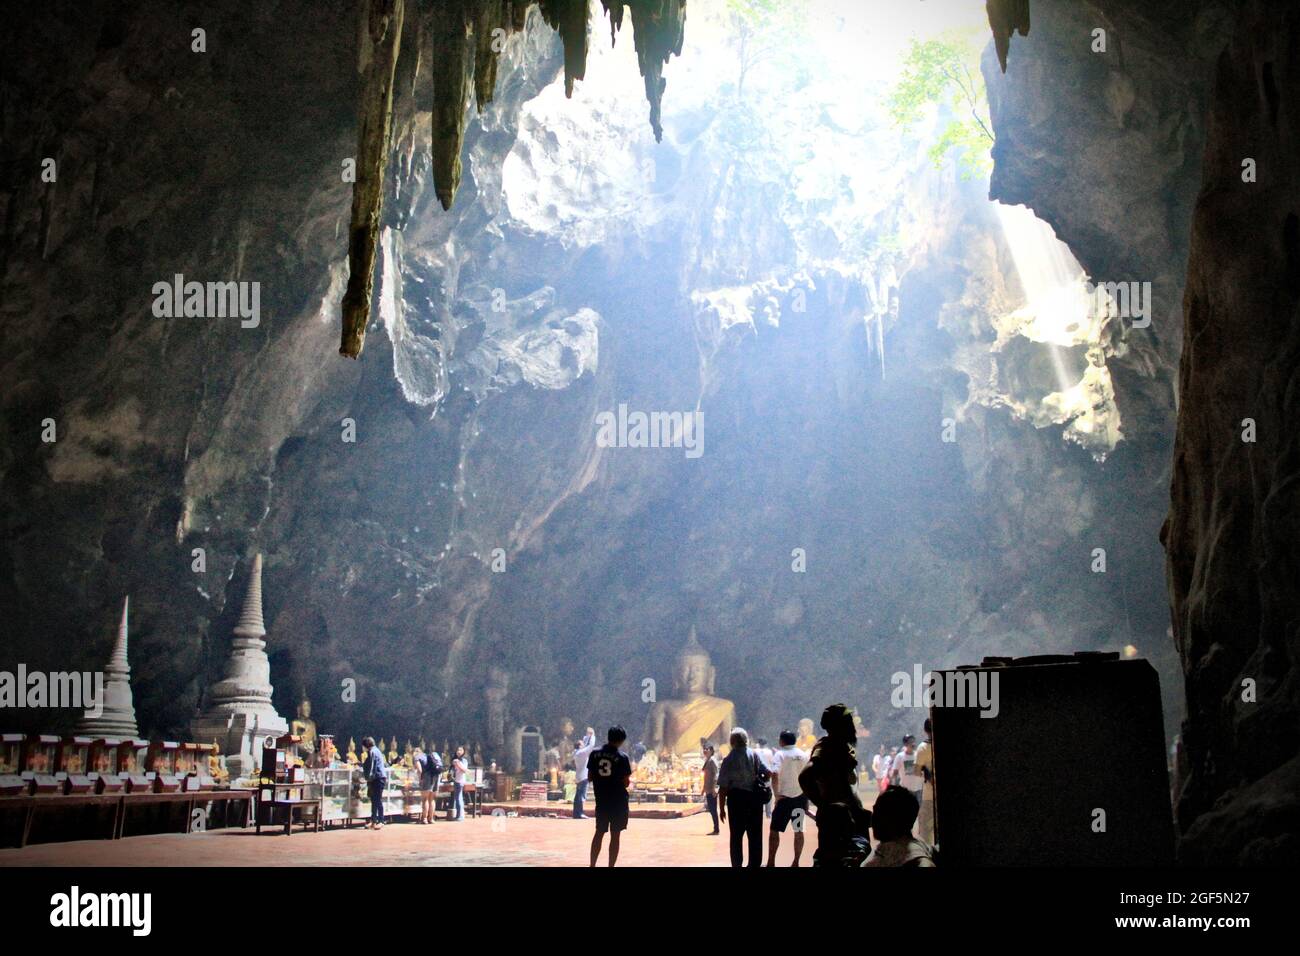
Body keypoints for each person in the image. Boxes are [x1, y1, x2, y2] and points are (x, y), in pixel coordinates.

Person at [718, 727, 767, 868]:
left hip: (736, 800)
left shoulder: (729, 759)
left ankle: (737, 864)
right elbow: (767, 772)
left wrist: (721, 808)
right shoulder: (755, 755)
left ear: (732, 741)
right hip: (754, 800)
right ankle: (754, 864)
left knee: (736, 837)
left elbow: (723, 786)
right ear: (746, 741)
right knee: (755, 836)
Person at [587, 726, 632, 867]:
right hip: (618, 802)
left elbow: (589, 777)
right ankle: (611, 866)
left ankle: (592, 865)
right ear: (621, 740)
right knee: (615, 835)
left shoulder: (594, 755)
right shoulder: (623, 757)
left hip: (602, 800)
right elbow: (626, 782)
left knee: (599, 832)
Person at [863, 786, 936, 867]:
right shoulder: (919, 845)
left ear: (898, 818)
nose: (873, 818)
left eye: (881, 813)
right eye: (875, 811)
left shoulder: (914, 856)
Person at [768, 730, 810, 866]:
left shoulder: (780, 755)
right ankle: (796, 861)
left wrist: (776, 795)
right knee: (798, 830)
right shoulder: (803, 755)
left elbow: (774, 775)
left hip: (784, 799)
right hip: (800, 798)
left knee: (774, 830)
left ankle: (771, 862)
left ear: (782, 741)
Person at [914, 718, 936, 843]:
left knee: (925, 831)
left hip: (929, 796)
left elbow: (916, 771)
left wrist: (925, 772)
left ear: (925, 730)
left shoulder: (923, 748)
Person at [361, 736, 388, 830]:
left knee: (378, 799)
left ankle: (381, 820)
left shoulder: (373, 751)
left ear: (366, 745)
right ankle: (373, 820)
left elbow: (372, 766)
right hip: (376, 778)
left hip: (378, 778)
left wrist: (369, 778)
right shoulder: (375, 750)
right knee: (374, 800)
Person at [572, 727, 597, 820]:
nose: (583, 744)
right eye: (582, 744)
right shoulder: (581, 753)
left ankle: (576, 813)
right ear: (579, 746)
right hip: (583, 777)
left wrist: (587, 735)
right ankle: (580, 813)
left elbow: (586, 744)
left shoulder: (577, 752)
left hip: (579, 776)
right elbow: (590, 746)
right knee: (581, 796)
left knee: (578, 795)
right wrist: (592, 735)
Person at [890, 734, 923, 805]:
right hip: (905, 790)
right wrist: (892, 786)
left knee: (918, 812)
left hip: (918, 789)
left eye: (913, 741)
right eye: (910, 741)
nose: (913, 743)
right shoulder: (900, 757)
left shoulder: (918, 755)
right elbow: (895, 773)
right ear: (905, 744)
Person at [416, 746, 443, 824]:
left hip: (427, 777)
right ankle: (431, 818)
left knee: (425, 799)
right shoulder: (428, 755)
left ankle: (424, 819)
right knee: (432, 799)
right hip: (436, 776)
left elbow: (419, 770)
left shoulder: (417, 757)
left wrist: (420, 779)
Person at [701, 744, 721, 835]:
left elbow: (716, 775)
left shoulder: (713, 761)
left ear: (711, 751)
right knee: (711, 809)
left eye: (707, 749)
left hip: (712, 789)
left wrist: (714, 788)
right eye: (704, 749)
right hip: (708, 789)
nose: (705, 750)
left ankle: (716, 829)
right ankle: (715, 828)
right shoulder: (707, 761)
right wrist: (703, 789)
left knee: (713, 809)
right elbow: (706, 776)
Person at [755, 737, 775, 819]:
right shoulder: (769, 752)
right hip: (767, 774)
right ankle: (768, 813)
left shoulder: (755, 751)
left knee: (758, 792)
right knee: (768, 792)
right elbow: (771, 762)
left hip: (758, 774)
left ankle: (759, 811)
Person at [448, 745, 468, 821]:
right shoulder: (454, 760)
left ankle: (460, 816)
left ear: (463, 752)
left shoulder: (464, 761)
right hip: (456, 780)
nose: (459, 752)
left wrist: (458, 764)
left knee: (459, 798)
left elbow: (464, 770)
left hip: (460, 781)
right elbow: (452, 770)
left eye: (460, 750)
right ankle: (458, 815)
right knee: (458, 798)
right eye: (458, 750)